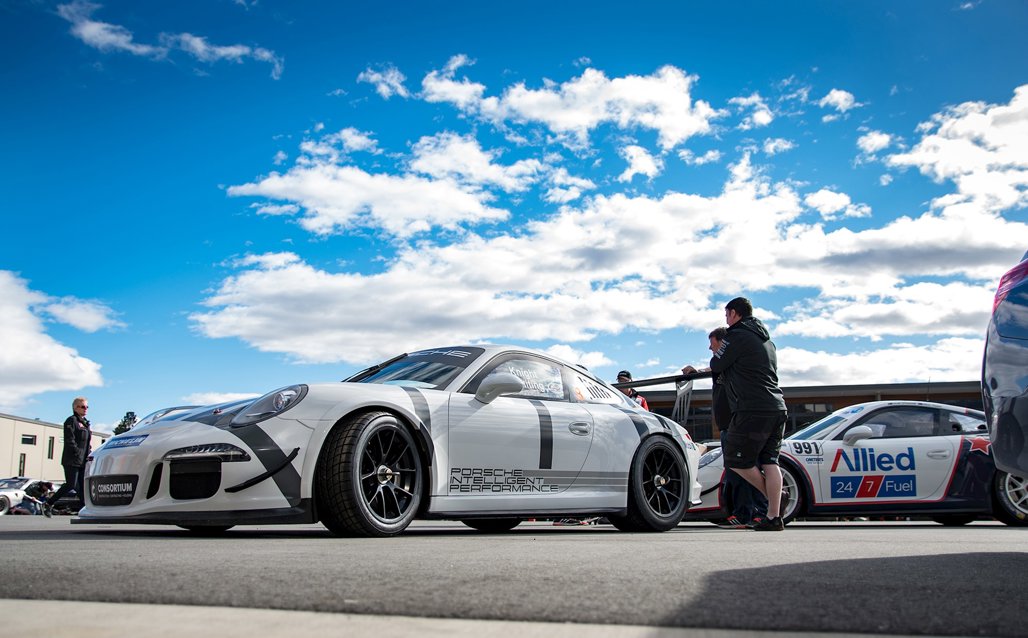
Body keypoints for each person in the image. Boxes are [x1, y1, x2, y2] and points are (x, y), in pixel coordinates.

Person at [709, 298, 788, 532]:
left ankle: (774, 498)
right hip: (777, 406)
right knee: (769, 461)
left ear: (734, 313)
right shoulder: (768, 341)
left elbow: (717, 364)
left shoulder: (736, 335)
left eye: (727, 315)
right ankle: (774, 517)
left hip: (753, 409)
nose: (726, 320)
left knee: (734, 458)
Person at [44, 397, 92, 518]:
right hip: (71, 460)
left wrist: (89, 454)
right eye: (82, 406)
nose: (85, 409)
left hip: (83, 460)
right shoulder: (71, 421)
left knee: (82, 487)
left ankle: (87, 510)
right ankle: (48, 504)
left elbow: (86, 443)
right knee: (71, 484)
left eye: (87, 407)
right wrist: (77, 452)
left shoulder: (85, 423)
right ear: (75, 408)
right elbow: (70, 440)